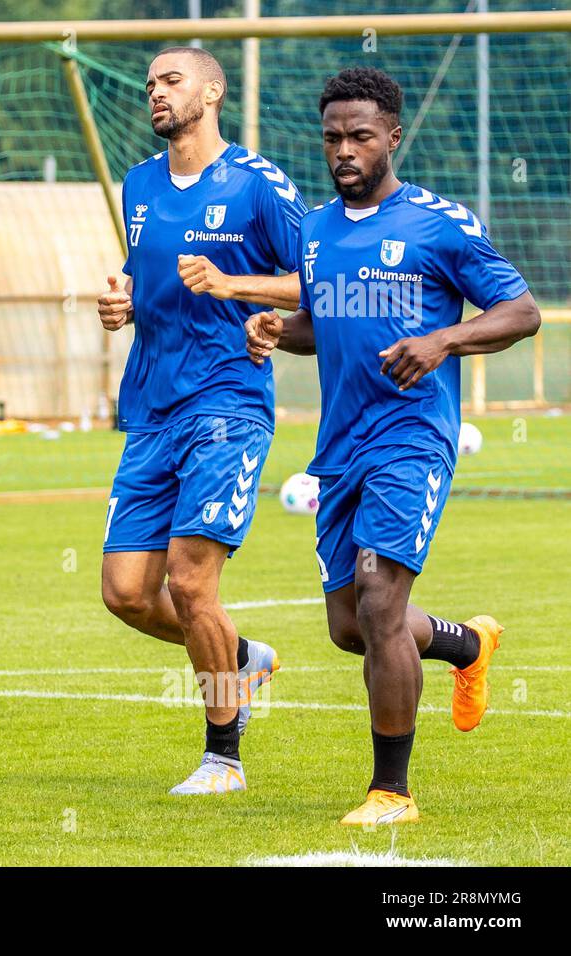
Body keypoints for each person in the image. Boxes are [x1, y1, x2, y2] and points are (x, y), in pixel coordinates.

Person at [245, 67, 540, 825]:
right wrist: (280, 332)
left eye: (360, 136)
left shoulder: (438, 224)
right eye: (333, 137)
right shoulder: (313, 231)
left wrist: (444, 339)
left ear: (392, 138)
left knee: (380, 600)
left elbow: (521, 310)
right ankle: (466, 645)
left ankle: (392, 791)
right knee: (352, 627)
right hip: (339, 448)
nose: (344, 150)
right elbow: (325, 325)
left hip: (411, 440)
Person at [95, 47, 307, 795]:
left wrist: (235, 288)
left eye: (172, 80)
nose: (156, 93)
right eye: (151, 83)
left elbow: (315, 278)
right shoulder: (139, 184)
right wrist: (118, 305)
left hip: (227, 403)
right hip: (150, 406)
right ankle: (242, 656)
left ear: (212, 92)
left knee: (190, 584)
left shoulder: (258, 185)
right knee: (125, 593)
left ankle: (224, 757)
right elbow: (141, 275)